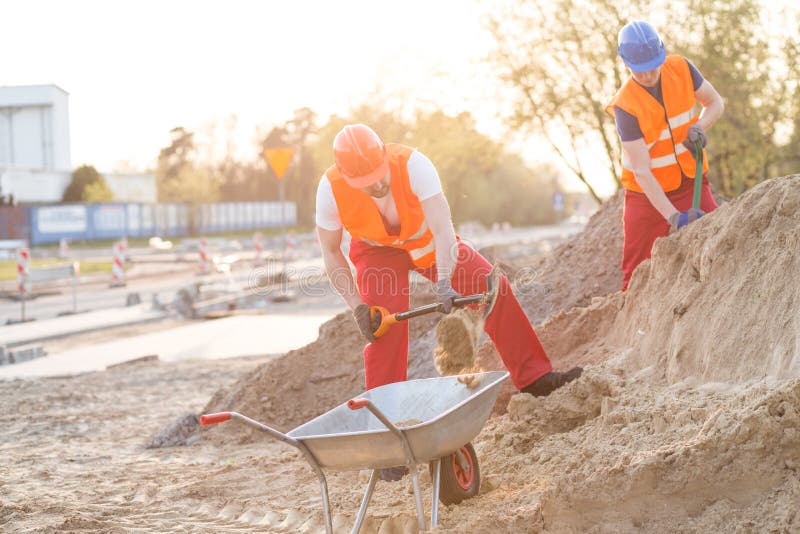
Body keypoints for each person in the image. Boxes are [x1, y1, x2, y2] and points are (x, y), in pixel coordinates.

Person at [315, 124, 582, 479]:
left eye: (379, 175)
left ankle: (535, 378)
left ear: (384, 157)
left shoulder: (414, 165)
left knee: (494, 288)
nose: (375, 185)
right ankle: (386, 441)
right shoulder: (329, 189)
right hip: (376, 253)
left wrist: (443, 281)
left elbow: (443, 229)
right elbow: (331, 253)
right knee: (383, 328)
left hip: (428, 242)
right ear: (346, 177)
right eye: (364, 182)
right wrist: (358, 308)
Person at [605, 21, 724, 290]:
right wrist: (673, 217)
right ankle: (631, 323)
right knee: (635, 271)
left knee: (721, 239)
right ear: (626, 63)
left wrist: (699, 127)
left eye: (652, 66)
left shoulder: (681, 68)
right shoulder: (625, 106)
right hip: (644, 196)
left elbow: (715, 102)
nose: (648, 75)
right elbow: (642, 171)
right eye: (640, 70)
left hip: (690, 181)